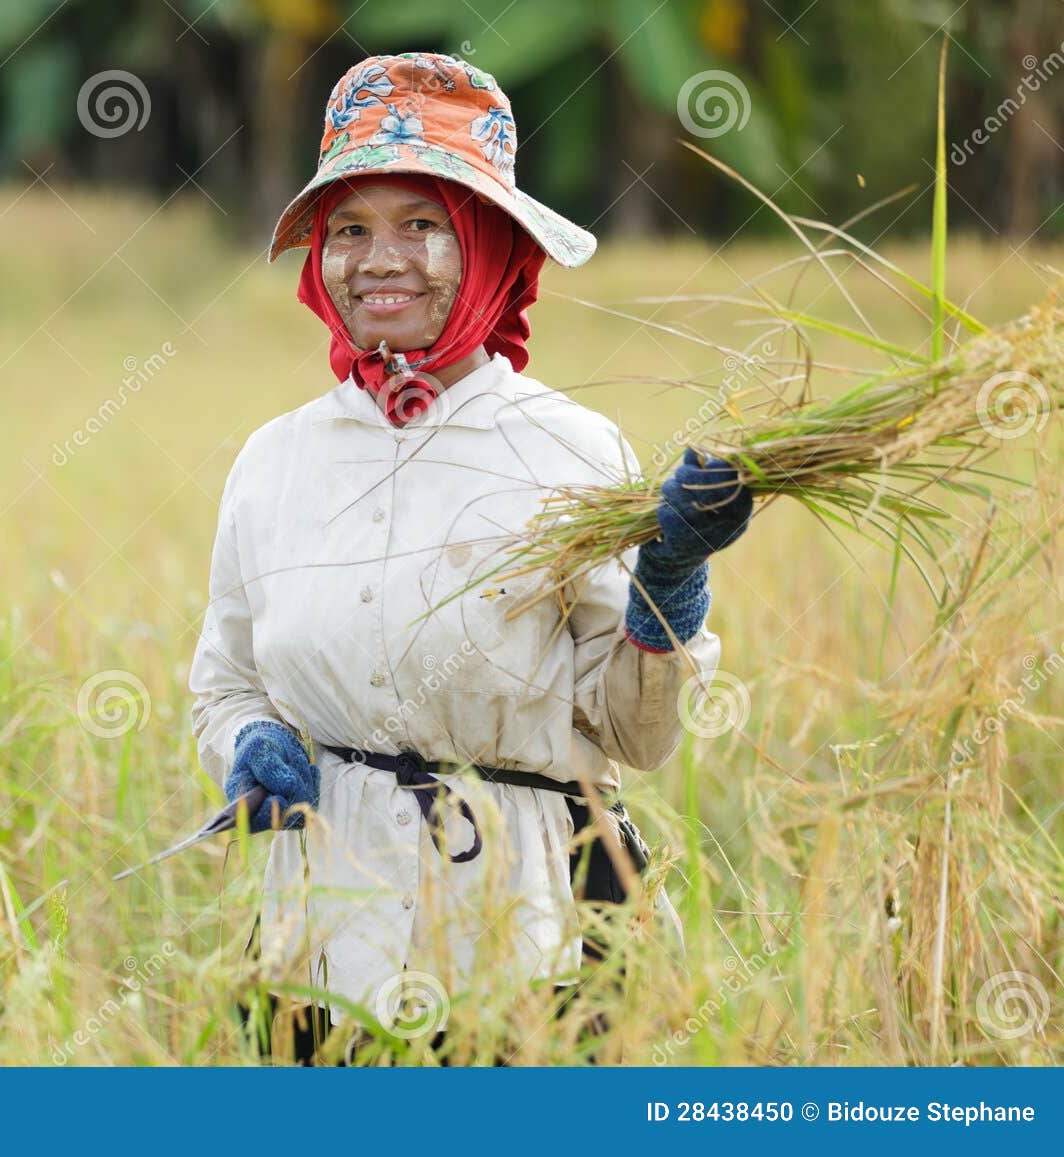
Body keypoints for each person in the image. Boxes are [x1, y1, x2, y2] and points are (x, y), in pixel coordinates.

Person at [188, 52, 751, 1063]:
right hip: (315, 938)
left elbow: (634, 732)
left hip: (520, 939)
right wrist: (245, 746)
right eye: (349, 229)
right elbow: (225, 681)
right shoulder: (275, 459)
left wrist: (668, 586)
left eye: (421, 224)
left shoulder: (569, 449)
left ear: (487, 244)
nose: (378, 259)